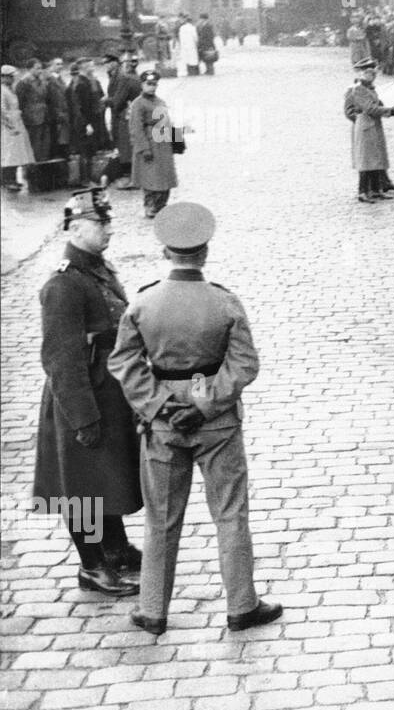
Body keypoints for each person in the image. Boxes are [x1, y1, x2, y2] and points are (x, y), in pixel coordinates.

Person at [108, 202, 280, 635]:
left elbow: (124, 363)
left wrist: (162, 405)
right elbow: (244, 365)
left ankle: (152, 609)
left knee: (161, 518)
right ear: (204, 252)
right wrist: (201, 403)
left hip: (162, 424)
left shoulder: (144, 303)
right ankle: (242, 605)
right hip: (217, 423)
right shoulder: (224, 302)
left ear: (166, 252)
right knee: (230, 512)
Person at [34, 188, 143, 596]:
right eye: (101, 224)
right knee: (81, 488)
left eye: (109, 222)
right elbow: (61, 358)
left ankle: (114, 548)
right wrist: (83, 416)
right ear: (76, 227)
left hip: (107, 390)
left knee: (103, 476)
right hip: (80, 397)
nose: (110, 230)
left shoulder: (96, 269)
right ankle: (91, 567)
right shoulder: (64, 284)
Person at [346, 59, 394, 203]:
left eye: (373, 73)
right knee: (365, 160)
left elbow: (377, 105)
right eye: (368, 73)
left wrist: (391, 106)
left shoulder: (370, 88)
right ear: (362, 74)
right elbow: (370, 108)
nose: (372, 76)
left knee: (376, 157)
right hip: (365, 125)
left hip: (373, 124)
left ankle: (376, 190)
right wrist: (389, 110)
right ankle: (363, 191)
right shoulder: (358, 89)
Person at [127, 70, 179, 218]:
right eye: (148, 84)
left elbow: (168, 121)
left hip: (164, 145)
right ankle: (150, 206)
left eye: (154, 84)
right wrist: (144, 148)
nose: (152, 87)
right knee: (150, 178)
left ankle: (162, 205)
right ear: (142, 85)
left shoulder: (160, 101)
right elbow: (136, 127)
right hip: (150, 144)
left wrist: (177, 141)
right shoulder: (138, 104)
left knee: (165, 177)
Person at [66, 59, 109, 178]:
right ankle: (85, 178)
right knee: (85, 151)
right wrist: (87, 124)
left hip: (87, 121)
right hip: (84, 122)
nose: (93, 67)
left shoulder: (84, 82)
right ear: (84, 68)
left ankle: (87, 177)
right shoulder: (82, 84)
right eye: (91, 66)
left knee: (88, 150)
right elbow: (80, 107)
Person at [105, 54, 142, 187]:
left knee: (129, 149)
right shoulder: (137, 77)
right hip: (138, 115)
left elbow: (118, 101)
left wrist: (107, 101)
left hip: (127, 118)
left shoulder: (125, 79)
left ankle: (134, 179)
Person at [1, 64, 35, 192]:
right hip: (8, 127)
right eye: (10, 77)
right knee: (9, 154)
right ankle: (7, 180)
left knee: (17, 154)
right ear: (4, 77)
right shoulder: (2, 91)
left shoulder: (10, 89)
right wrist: (10, 126)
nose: (13, 79)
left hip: (16, 123)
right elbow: (2, 111)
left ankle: (13, 179)